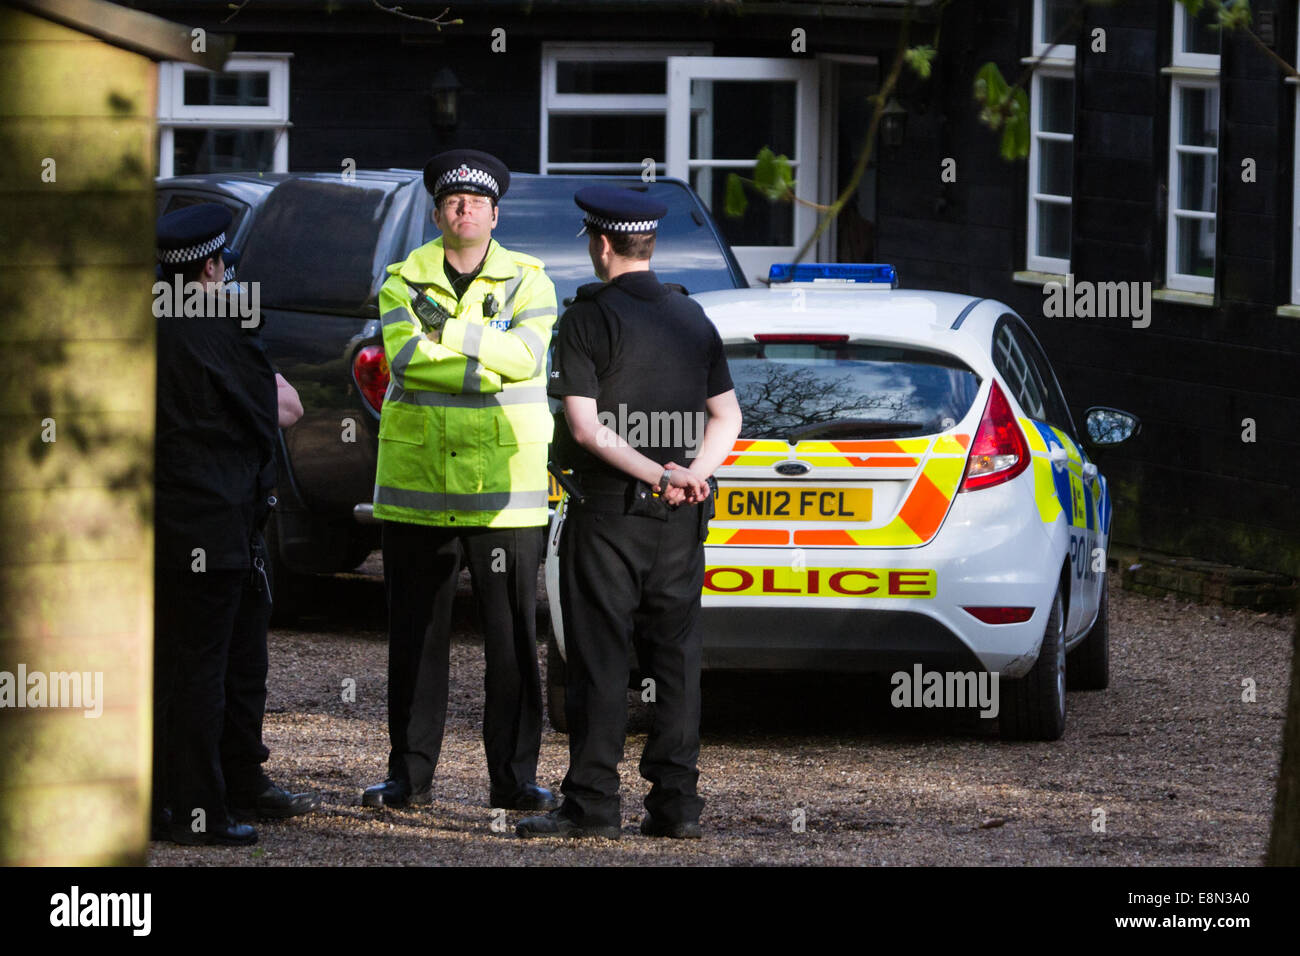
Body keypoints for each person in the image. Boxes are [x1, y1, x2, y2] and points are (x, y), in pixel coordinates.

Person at [517, 186, 742, 840]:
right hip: (680, 518)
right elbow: (727, 415)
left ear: (602, 243)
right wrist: (692, 475)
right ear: (651, 245)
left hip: (611, 513)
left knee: (600, 660)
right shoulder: (691, 317)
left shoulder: (587, 319)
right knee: (675, 660)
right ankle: (677, 809)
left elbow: (585, 429)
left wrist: (656, 474)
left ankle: (592, 807)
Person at [362, 150, 560, 813]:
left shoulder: (531, 282)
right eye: (451, 202)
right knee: (416, 644)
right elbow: (408, 362)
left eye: (475, 202)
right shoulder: (400, 280)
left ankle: (514, 781)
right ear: (438, 211)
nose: (463, 209)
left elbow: (529, 357)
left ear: (494, 213)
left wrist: (451, 330)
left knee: (511, 648)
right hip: (418, 495)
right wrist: (487, 358)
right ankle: (408, 778)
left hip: (506, 500)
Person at [152, 204, 317, 846]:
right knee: (204, 673)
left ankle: (160, 803)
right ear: (214, 268)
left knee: (167, 670)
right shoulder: (221, 331)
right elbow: (285, 409)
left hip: (156, 527)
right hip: (214, 526)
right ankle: (201, 812)